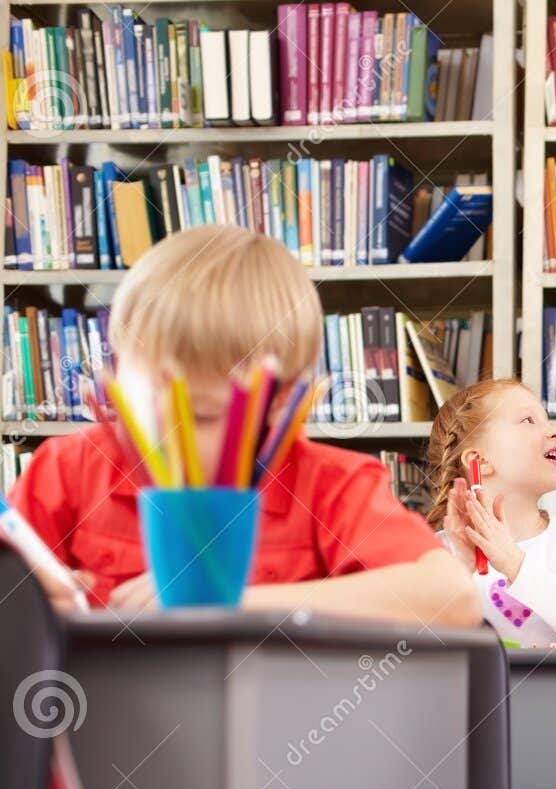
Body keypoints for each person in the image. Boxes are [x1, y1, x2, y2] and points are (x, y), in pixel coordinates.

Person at [7, 224, 478, 625]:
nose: (165, 434)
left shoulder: (330, 484)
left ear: (279, 405)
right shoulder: (70, 468)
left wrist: (229, 606)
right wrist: (30, 608)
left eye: (202, 413)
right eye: (136, 405)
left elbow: (453, 600)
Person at [426, 379, 556, 646]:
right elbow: (415, 652)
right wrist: (460, 570)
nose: (555, 431)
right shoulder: (440, 550)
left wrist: (514, 563)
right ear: (478, 461)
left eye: (547, 420)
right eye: (528, 420)